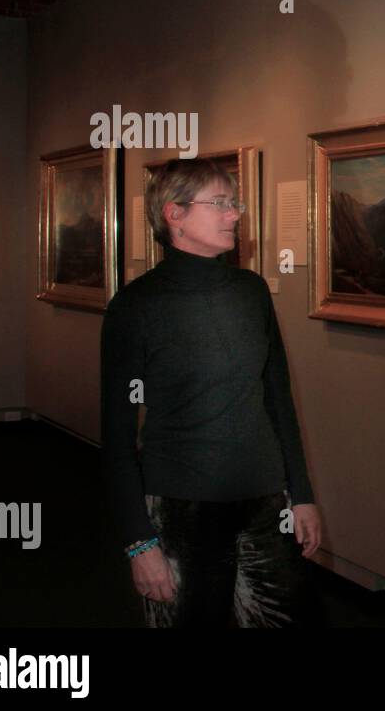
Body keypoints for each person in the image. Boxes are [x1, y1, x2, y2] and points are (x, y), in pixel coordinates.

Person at [100, 158, 322, 627]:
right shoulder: (135, 308)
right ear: (173, 214)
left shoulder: (252, 291)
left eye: (234, 203)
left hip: (264, 504)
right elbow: (117, 439)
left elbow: (278, 399)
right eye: (220, 203)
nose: (235, 214)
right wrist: (140, 543)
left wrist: (300, 494)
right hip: (181, 511)